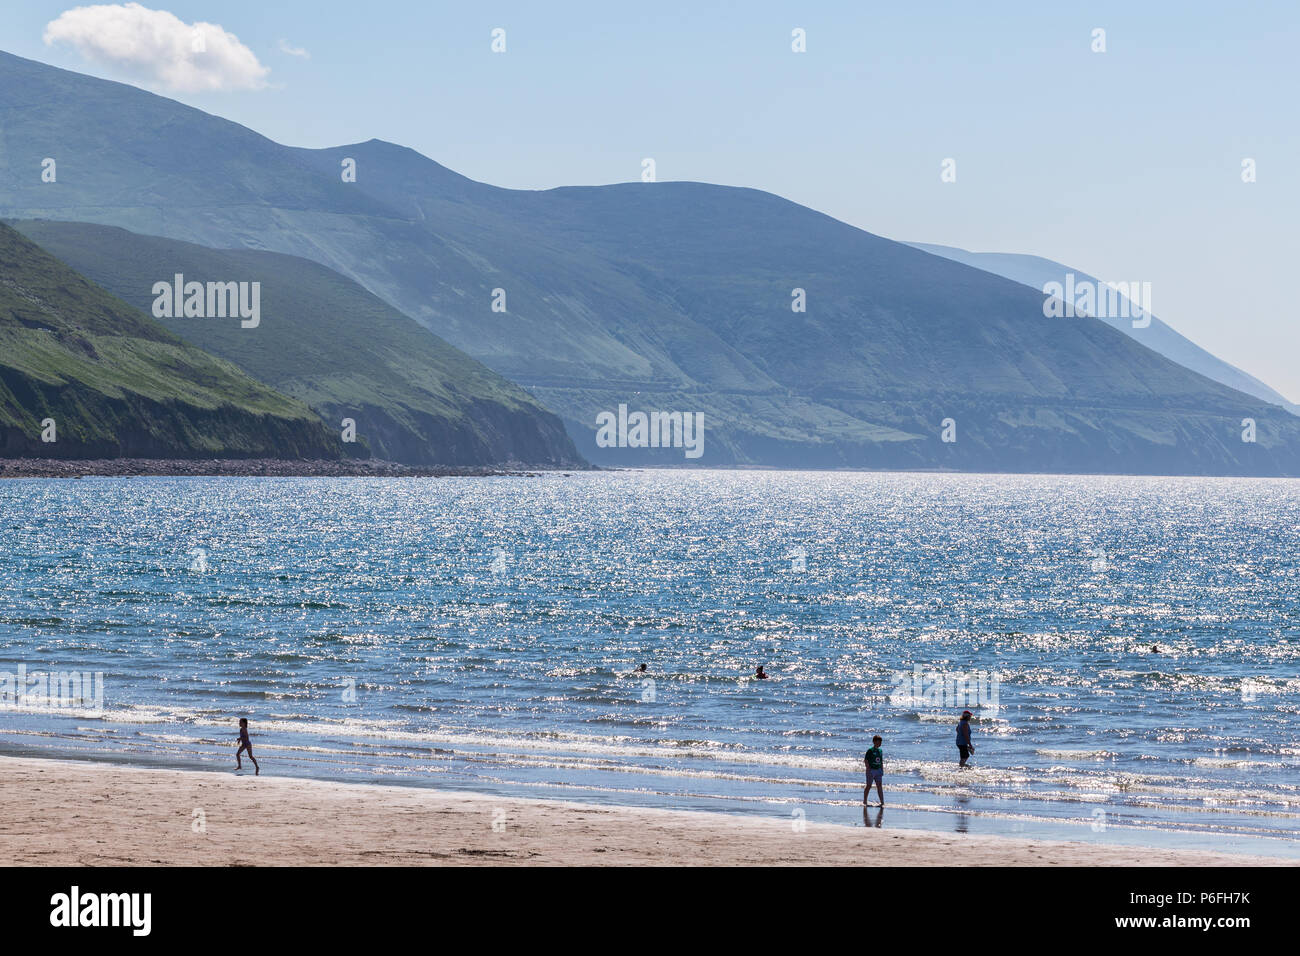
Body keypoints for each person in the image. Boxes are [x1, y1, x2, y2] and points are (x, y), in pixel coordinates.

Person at [864, 735, 885, 806]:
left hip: (878, 770)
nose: (880, 743)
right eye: (878, 742)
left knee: (879, 786)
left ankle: (882, 802)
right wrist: (868, 768)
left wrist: (882, 770)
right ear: (874, 742)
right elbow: (866, 760)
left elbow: (881, 761)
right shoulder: (870, 750)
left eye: (880, 742)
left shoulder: (880, 750)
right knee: (869, 785)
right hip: (871, 770)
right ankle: (865, 801)